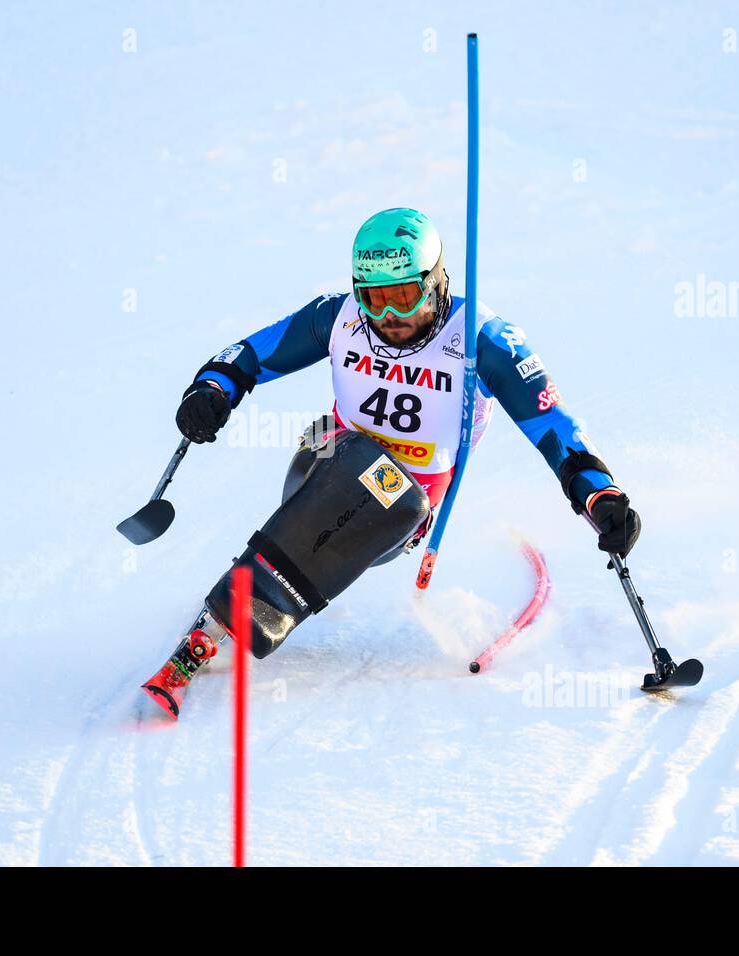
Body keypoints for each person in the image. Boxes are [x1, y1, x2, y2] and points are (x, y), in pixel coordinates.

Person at [141, 207, 640, 719]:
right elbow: (249, 353)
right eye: (374, 300)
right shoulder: (337, 318)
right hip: (325, 454)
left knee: (375, 481)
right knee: (351, 462)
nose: (389, 317)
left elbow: (553, 426)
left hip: (404, 502)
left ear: (436, 281)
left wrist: (599, 496)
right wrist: (212, 390)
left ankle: (247, 608)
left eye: (403, 296)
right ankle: (234, 610)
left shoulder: (481, 339)